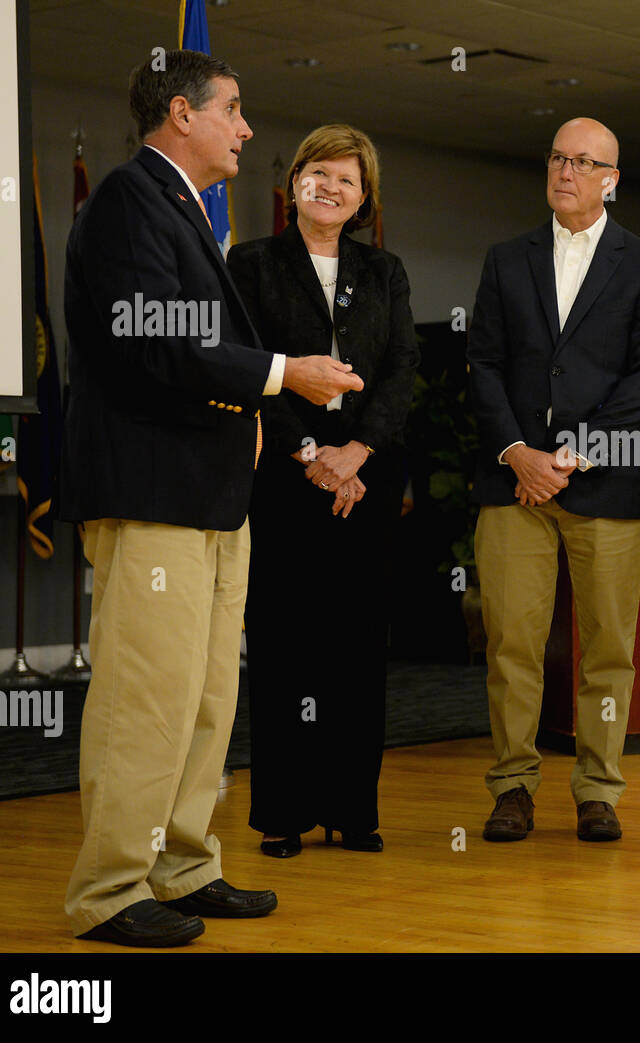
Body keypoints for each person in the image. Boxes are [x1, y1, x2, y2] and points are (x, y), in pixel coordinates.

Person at [58, 51, 363, 946]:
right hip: (152, 493)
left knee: (201, 699)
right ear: (180, 114)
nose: (247, 127)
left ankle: (180, 866)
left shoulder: (185, 209)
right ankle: (110, 891)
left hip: (209, 498)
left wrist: (259, 402)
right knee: (143, 698)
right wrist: (281, 374)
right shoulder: (126, 200)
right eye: (233, 108)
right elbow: (152, 340)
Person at [466, 117, 640, 842]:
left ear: (612, 180)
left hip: (605, 484)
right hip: (513, 484)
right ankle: (514, 785)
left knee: (608, 649)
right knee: (512, 645)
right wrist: (520, 452)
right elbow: (484, 364)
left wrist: (569, 455)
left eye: (584, 163)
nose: (566, 171)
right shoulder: (505, 258)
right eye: (558, 157)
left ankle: (598, 787)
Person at [227, 124, 419, 856]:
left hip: (365, 479)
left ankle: (351, 810)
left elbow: (402, 367)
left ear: (363, 196)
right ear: (293, 183)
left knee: (357, 644)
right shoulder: (250, 266)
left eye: (346, 179)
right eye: (316, 173)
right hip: (284, 476)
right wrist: (311, 450)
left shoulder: (386, 271)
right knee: (283, 643)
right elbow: (246, 364)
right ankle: (283, 812)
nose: (330, 187)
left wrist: (357, 452)